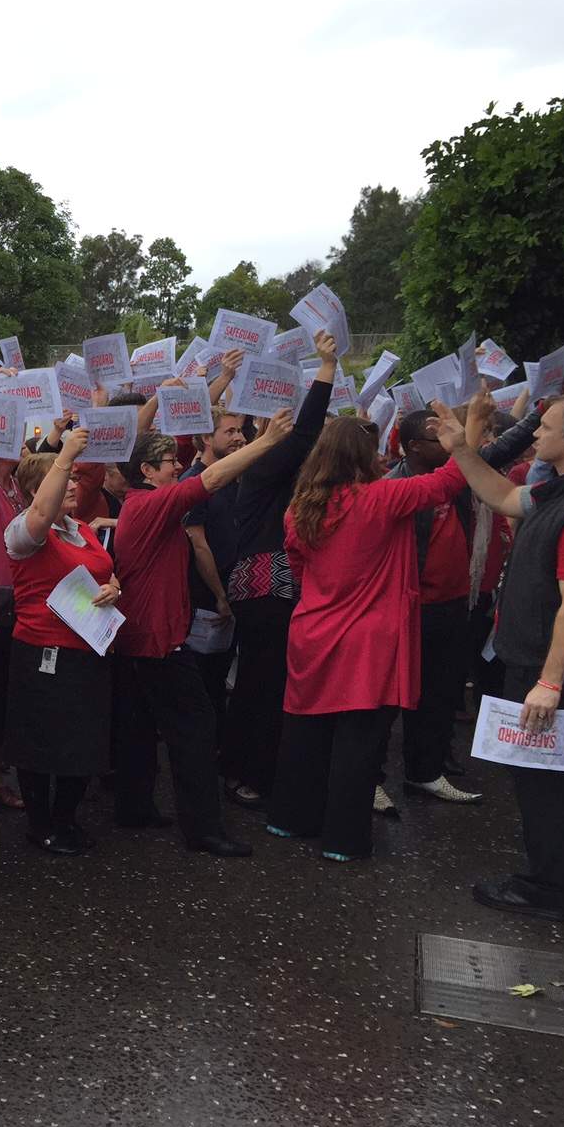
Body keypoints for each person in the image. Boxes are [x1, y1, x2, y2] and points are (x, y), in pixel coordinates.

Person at [266, 415, 470, 861]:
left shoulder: (299, 508)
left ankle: (291, 819)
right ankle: (344, 840)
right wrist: (461, 438)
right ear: (363, 456)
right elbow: (450, 481)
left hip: (312, 631)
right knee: (358, 742)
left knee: (307, 731)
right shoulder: (384, 496)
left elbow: (298, 569)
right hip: (368, 640)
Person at [432, 394, 564, 918]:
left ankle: (547, 888)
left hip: (555, 669)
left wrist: (549, 683)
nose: (535, 434)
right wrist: (461, 450)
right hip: (544, 661)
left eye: (545, 427)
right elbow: (504, 495)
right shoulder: (563, 488)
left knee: (546, 780)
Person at [111, 410, 292, 857]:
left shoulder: (139, 505)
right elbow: (210, 479)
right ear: (146, 471)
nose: (178, 465)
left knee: (139, 727)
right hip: (160, 640)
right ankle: (203, 830)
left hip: (144, 635)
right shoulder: (151, 504)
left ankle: (135, 808)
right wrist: (266, 441)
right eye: (168, 461)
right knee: (195, 731)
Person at [381, 397, 541, 804]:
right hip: (409, 607)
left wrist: (540, 412)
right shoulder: (393, 487)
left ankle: (425, 773)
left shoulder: (456, 479)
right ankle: (371, 780)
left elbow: (497, 451)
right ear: (414, 447)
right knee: (389, 699)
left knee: (438, 694)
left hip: (453, 606)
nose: (449, 444)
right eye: (438, 438)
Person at [220, 340, 339, 805]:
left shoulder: (274, 468)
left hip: (269, 587)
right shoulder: (264, 463)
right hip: (266, 588)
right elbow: (306, 434)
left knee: (261, 681)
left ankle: (246, 767)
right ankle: (251, 773)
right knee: (263, 684)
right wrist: (326, 368)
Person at [4, 427, 122, 854]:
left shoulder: (81, 529)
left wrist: (113, 588)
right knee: (41, 742)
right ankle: (42, 825)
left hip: (89, 648)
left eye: (73, 478)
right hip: (44, 651)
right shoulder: (24, 532)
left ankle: (65, 819)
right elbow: (40, 515)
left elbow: (105, 571)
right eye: (63, 478)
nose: (72, 484)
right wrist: (65, 454)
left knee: (83, 740)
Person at [181, 407, 246, 796]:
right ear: (206, 438)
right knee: (202, 684)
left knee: (218, 679)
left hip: (229, 595)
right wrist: (220, 595)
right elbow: (198, 542)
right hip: (205, 599)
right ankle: (199, 769)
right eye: (230, 431)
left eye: (241, 430)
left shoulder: (233, 479)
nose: (240, 437)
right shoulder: (195, 482)